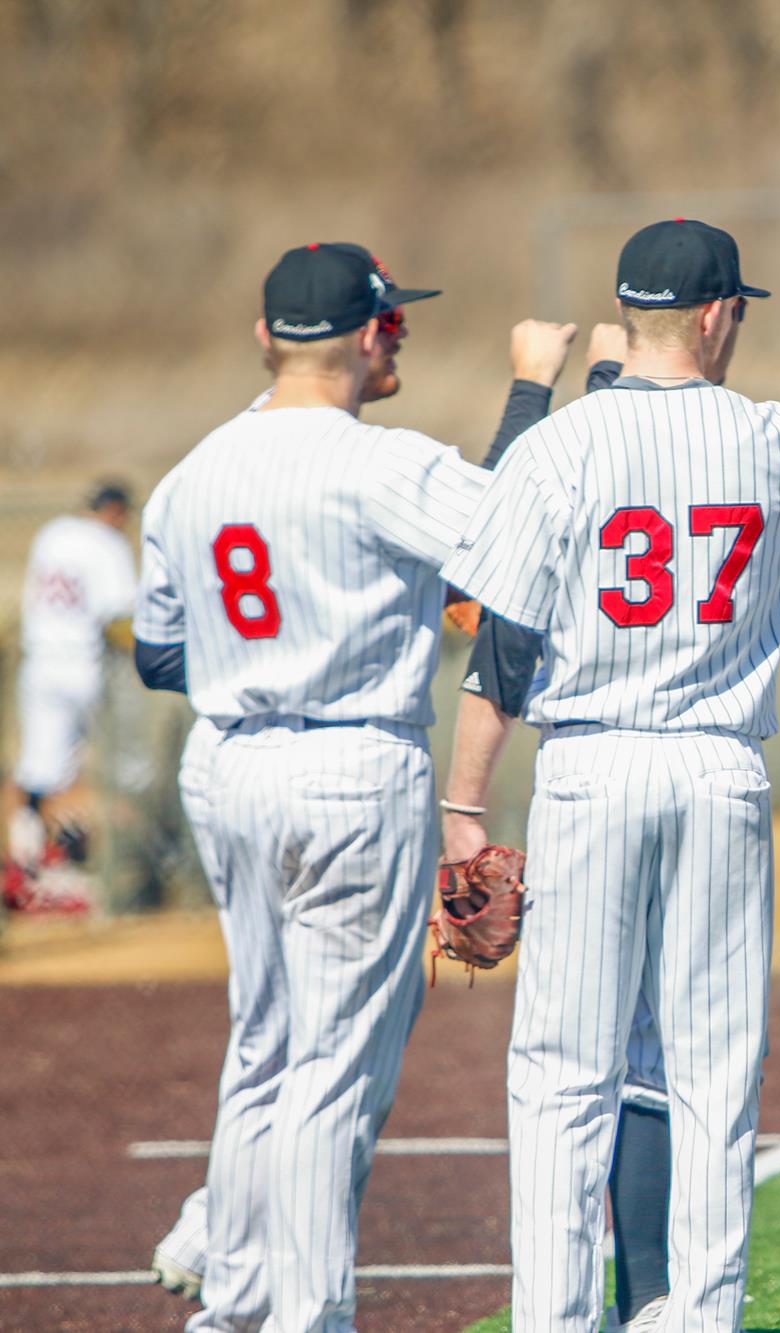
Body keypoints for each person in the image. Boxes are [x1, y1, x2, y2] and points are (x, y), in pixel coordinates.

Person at [439, 216, 780, 1333]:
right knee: (712, 1071)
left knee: (564, 1072)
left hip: (588, 767)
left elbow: (502, 642)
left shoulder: (559, 445)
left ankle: (555, 1320)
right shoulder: (772, 436)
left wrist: (462, 807)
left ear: (629, 317)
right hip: (719, 773)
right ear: (720, 315)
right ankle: (700, 1316)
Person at [144, 314, 585, 1308]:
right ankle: (307, 1315)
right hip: (350, 758)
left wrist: (265, 656)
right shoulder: (380, 461)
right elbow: (507, 540)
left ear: (264, 333)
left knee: (263, 1043)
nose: (398, 344)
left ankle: (234, 1297)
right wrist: (531, 388)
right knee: (335, 1066)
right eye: (392, 323)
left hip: (229, 760)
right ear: (359, 338)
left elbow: (158, 652)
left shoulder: (193, 472)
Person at [2, 480, 137, 911]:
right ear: (115, 510)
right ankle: (121, 867)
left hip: (40, 662)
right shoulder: (107, 543)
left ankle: (28, 860)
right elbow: (119, 616)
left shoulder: (53, 533)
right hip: (85, 664)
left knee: (38, 768)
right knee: (121, 766)